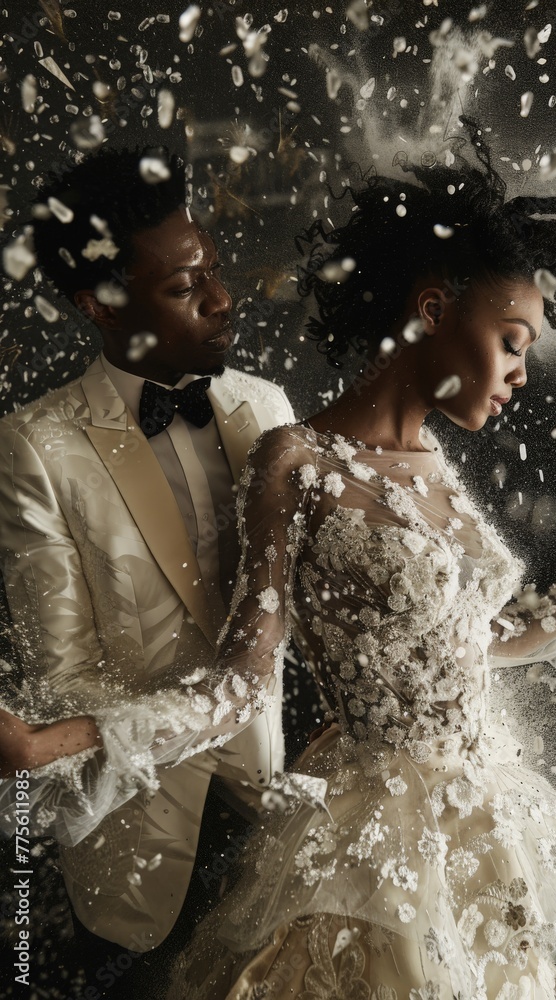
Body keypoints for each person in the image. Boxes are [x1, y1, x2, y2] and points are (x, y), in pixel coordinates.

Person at [153, 123, 556, 1000]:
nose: (519, 373)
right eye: (511, 340)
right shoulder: (296, 459)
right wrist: (77, 739)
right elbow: (243, 679)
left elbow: (483, 638)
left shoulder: (434, 464)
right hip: (373, 830)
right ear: (433, 311)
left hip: (482, 820)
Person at [0, 147, 294, 992]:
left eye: (213, 272)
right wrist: (195, 720)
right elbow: (66, 674)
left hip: (279, 799)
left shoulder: (265, 407)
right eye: (180, 288)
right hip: (136, 828)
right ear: (98, 305)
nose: (222, 299)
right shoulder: (36, 447)